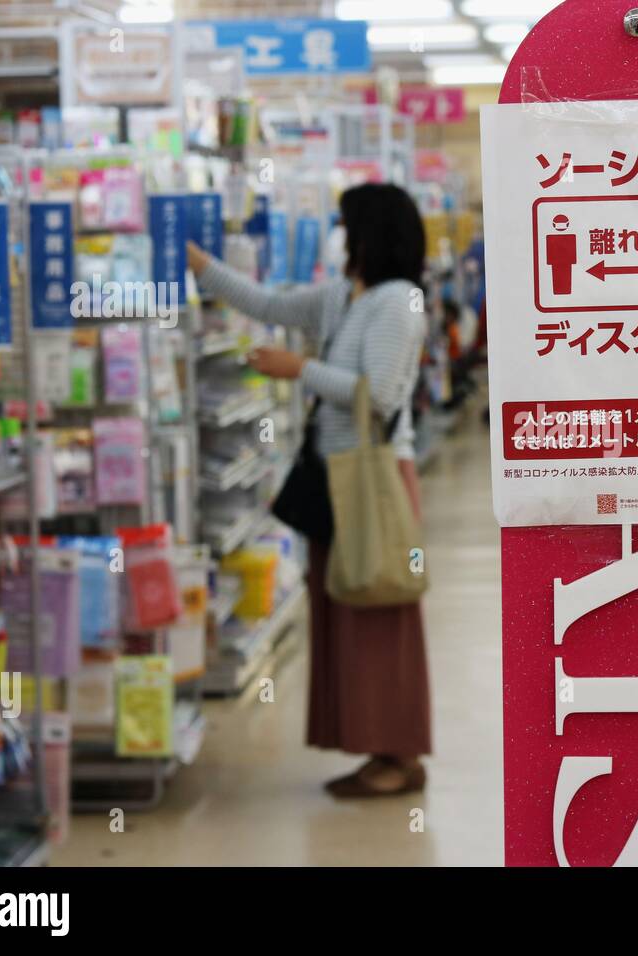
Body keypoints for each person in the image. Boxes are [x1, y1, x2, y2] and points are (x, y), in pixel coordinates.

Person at [186, 183, 431, 798]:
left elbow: (379, 396)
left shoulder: (398, 303)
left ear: (373, 234)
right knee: (346, 615)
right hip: (337, 481)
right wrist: (196, 263)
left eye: (348, 226)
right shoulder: (346, 298)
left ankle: (398, 756)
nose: (340, 237)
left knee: (377, 612)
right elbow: (267, 303)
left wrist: (300, 371)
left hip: (372, 483)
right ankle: (377, 747)